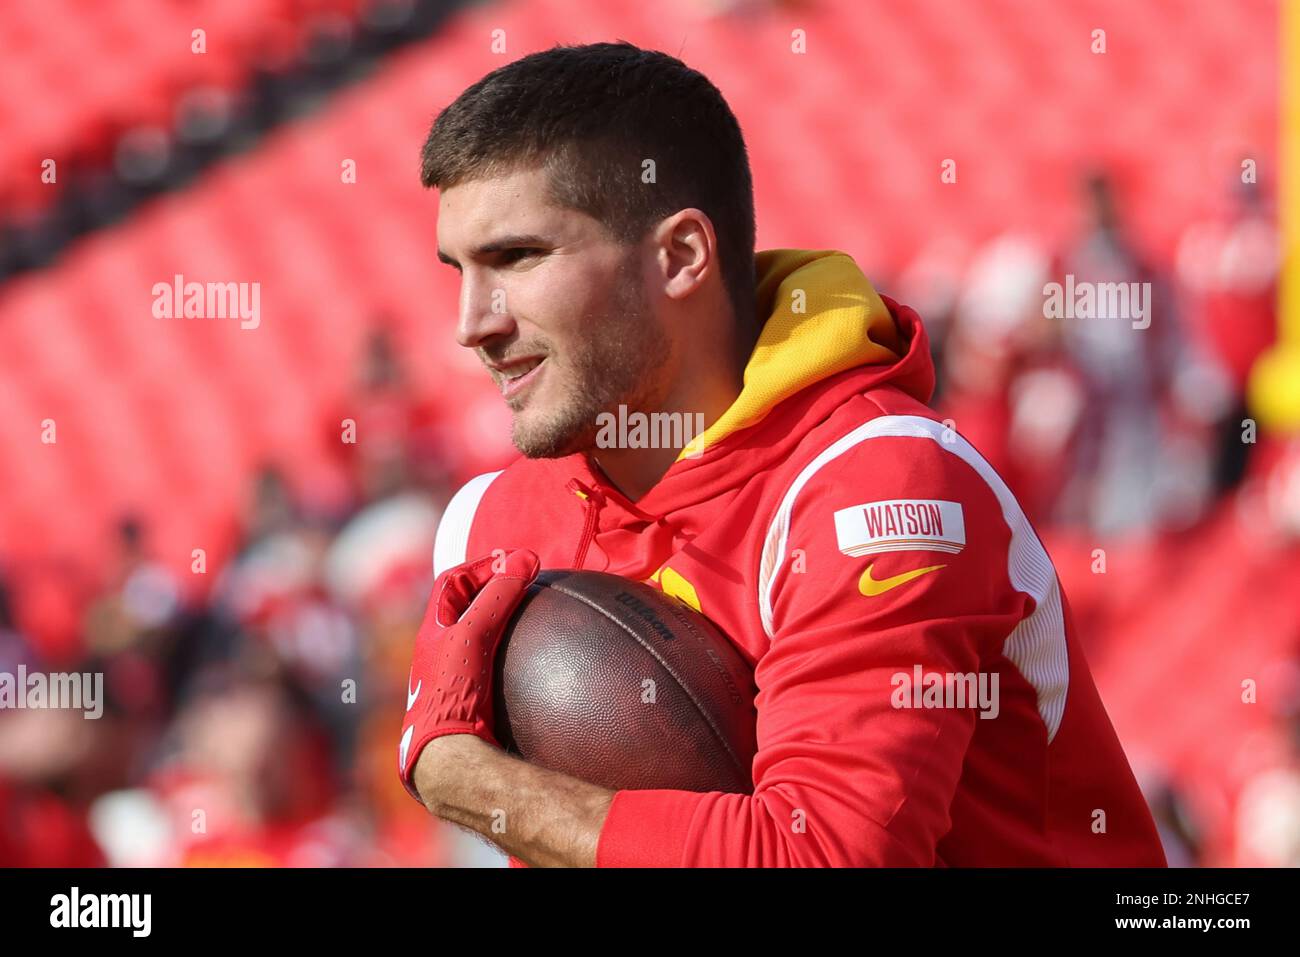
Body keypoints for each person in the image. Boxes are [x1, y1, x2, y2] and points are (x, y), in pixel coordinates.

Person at [397, 41, 1166, 867]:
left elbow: (824, 857)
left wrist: (469, 780)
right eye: (460, 270)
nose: (474, 322)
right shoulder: (484, 523)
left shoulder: (878, 489)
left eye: (517, 257)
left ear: (681, 256)